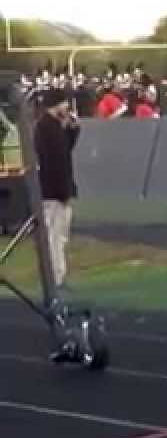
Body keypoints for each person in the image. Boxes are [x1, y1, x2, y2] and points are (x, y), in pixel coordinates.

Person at [34, 88, 80, 289]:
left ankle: (58, 276)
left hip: (55, 190)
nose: (67, 107)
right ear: (57, 104)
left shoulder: (51, 126)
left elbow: (65, 151)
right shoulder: (48, 128)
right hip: (54, 192)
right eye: (64, 103)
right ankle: (55, 279)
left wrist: (72, 130)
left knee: (59, 237)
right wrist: (64, 192)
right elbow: (57, 162)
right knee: (55, 237)